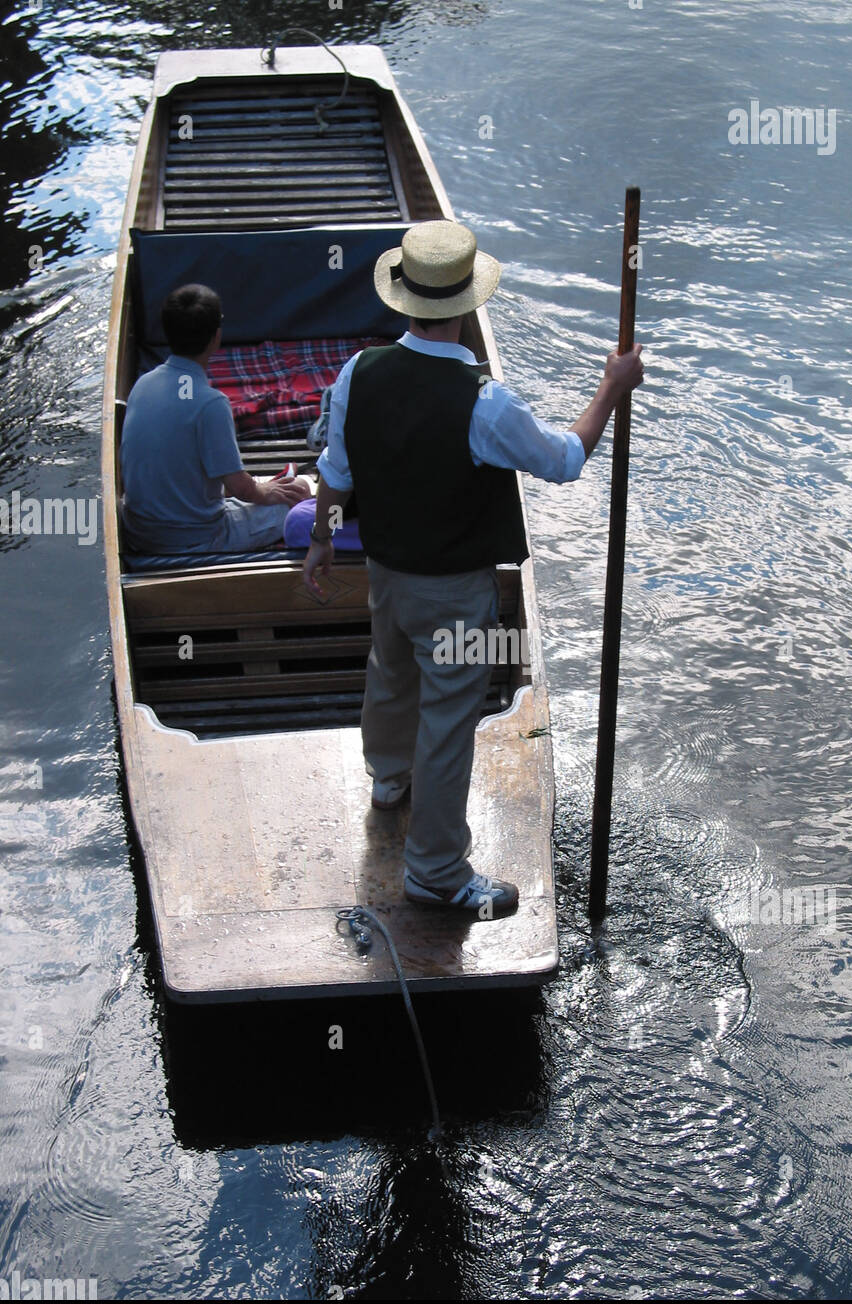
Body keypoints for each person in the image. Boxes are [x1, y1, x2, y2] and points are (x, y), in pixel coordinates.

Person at [302, 221, 643, 916]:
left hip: (387, 574)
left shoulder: (356, 372)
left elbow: (333, 474)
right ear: (465, 306)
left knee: (390, 675)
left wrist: (320, 540)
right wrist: (612, 387)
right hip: (454, 591)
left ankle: (387, 781)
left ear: (404, 299)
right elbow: (566, 460)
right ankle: (433, 870)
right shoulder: (486, 404)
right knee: (448, 719)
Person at [120, 283, 309, 555]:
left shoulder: (142, 384)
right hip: (195, 537)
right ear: (215, 336)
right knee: (300, 493)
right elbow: (241, 489)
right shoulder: (211, 404)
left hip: (139, 532)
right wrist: (267, 492)